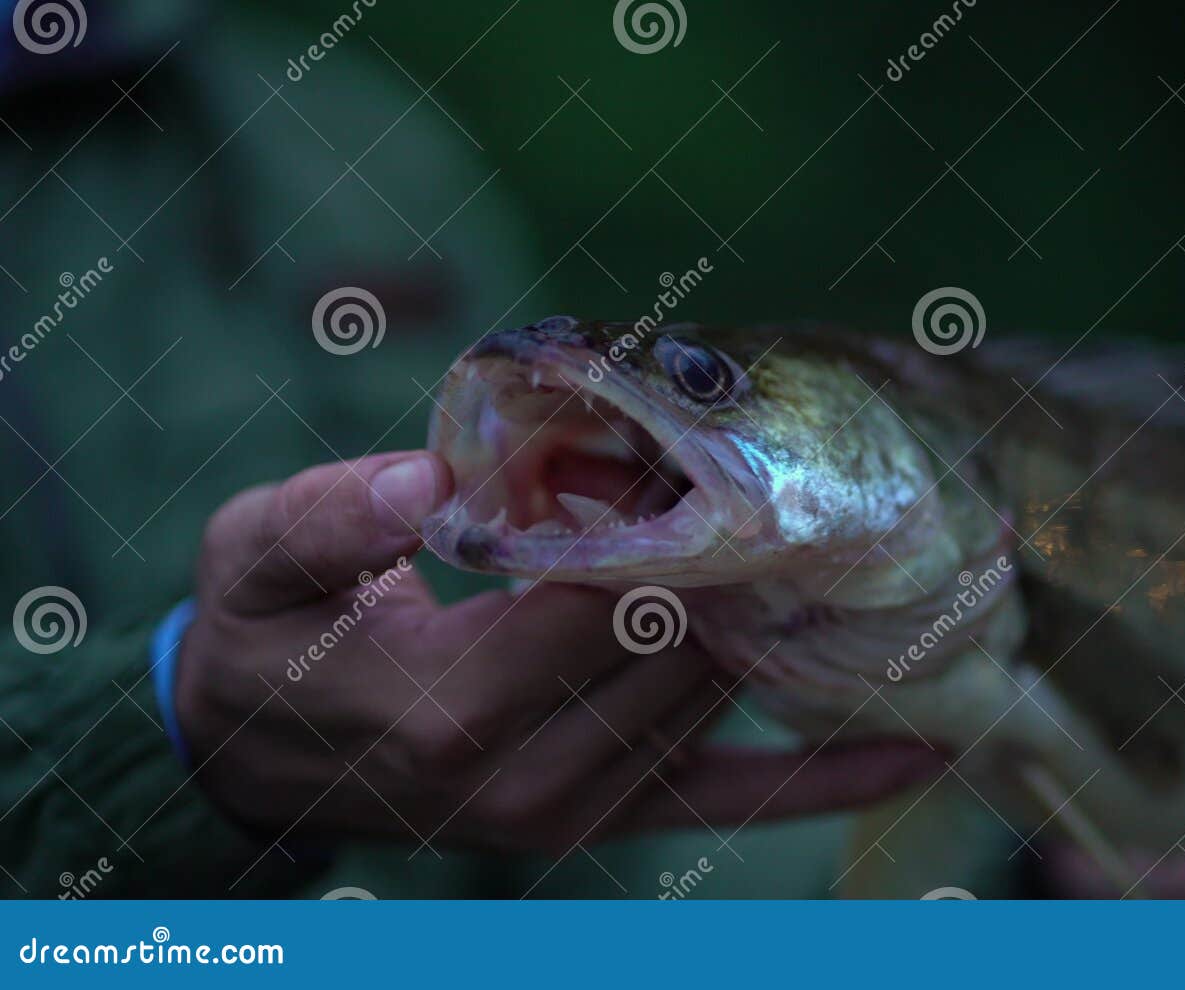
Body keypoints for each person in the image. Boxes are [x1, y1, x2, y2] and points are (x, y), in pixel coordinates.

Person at [0, 3, 942, 899]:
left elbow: (575, 815)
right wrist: (159, 735)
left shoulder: (355, 135)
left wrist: (984, 877)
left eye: (701, 381)